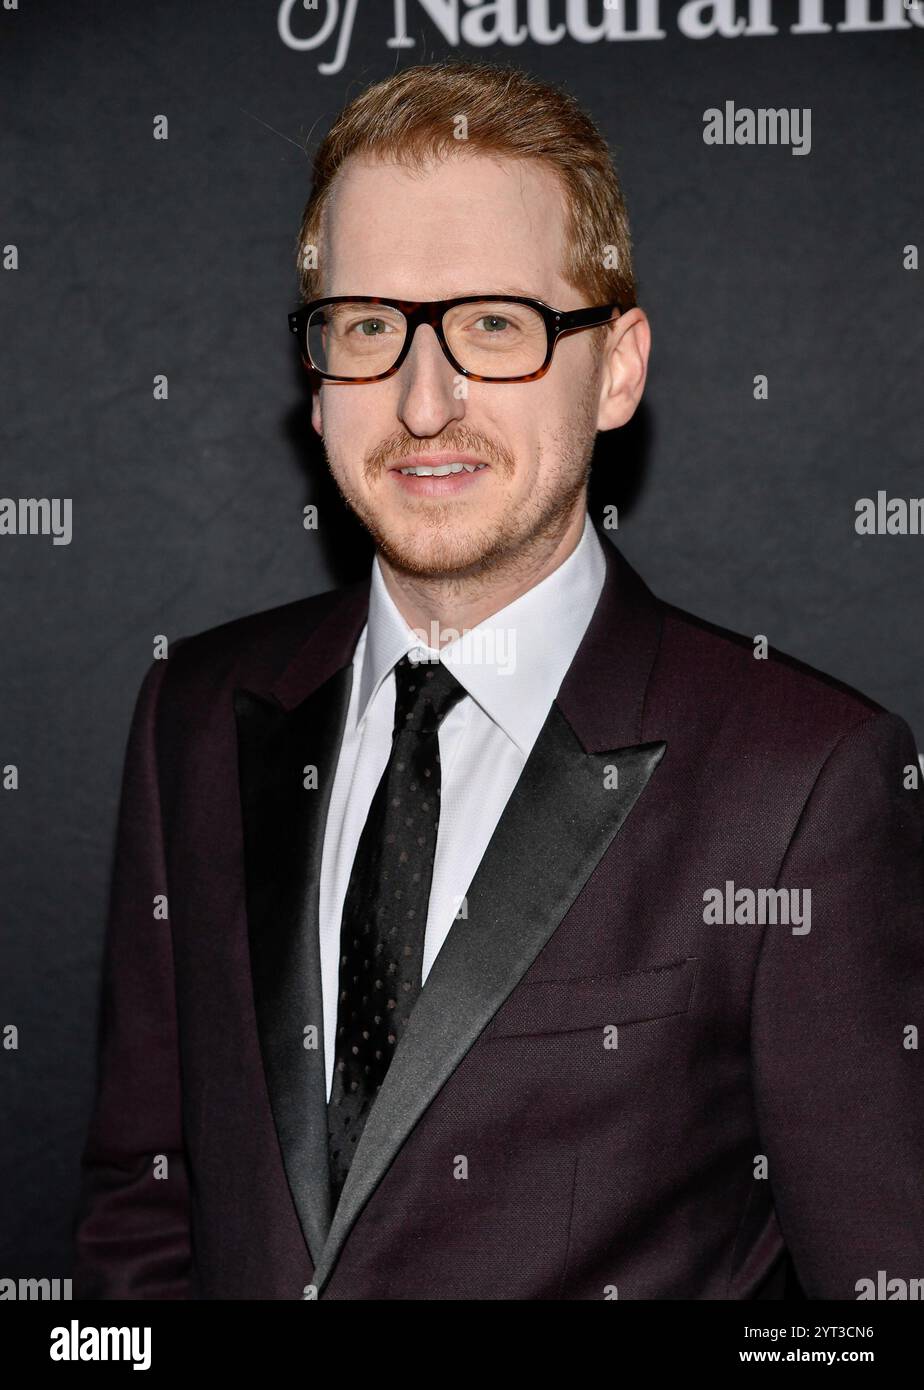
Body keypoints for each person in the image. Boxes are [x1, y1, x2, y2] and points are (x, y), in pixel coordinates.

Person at [72, 59, 924, 1301]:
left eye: (493, 327)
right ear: (316, 382)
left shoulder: (802, 782)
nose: (425, 401)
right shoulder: (195, 715)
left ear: (617, 368)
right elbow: (144, 1209)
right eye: (369, 325)